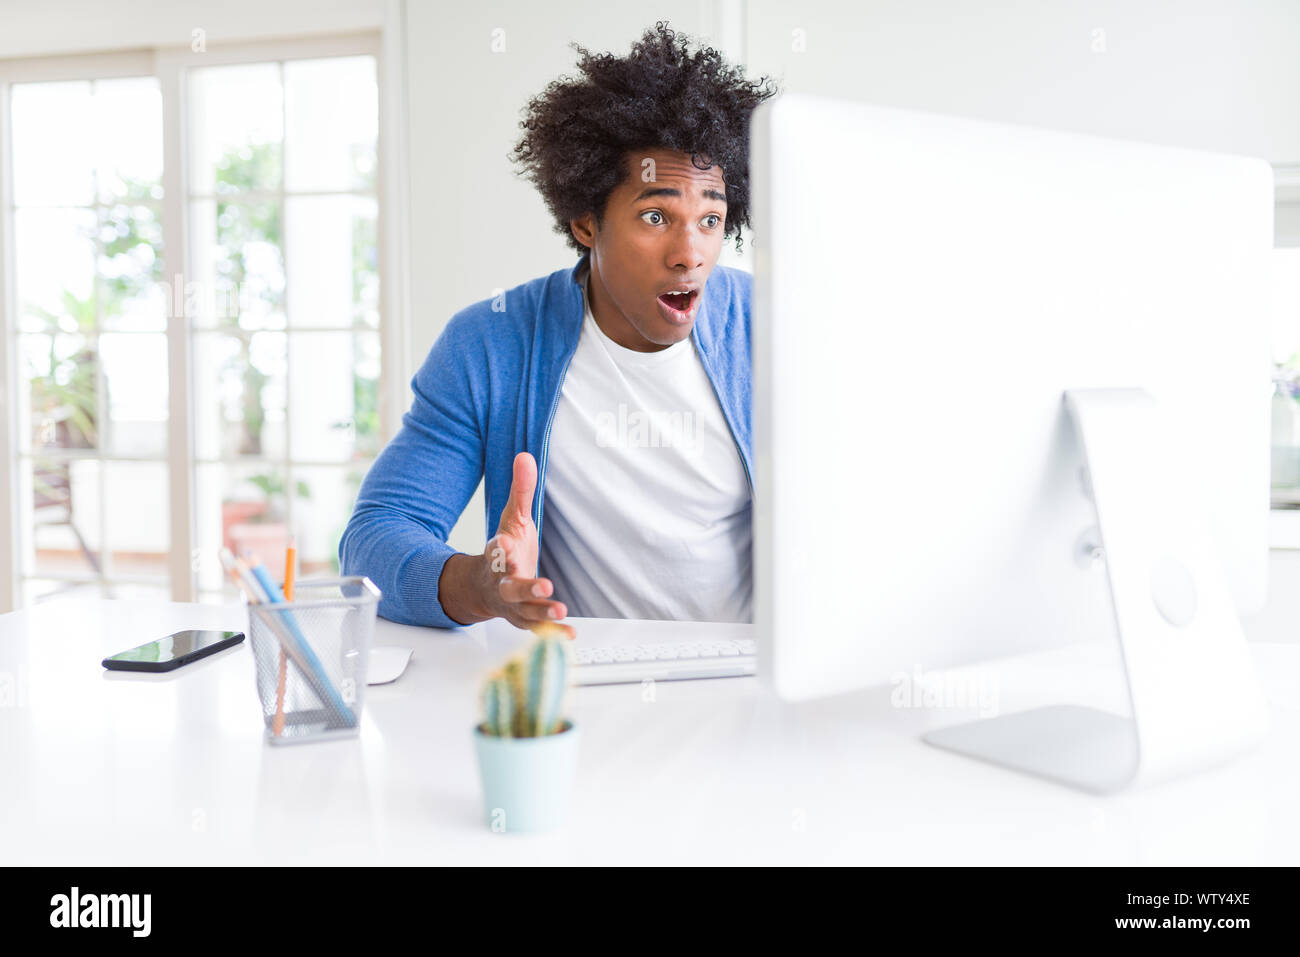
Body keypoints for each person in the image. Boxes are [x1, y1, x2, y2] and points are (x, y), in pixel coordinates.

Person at [339, 22, 778, 634]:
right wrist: (480, 586)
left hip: (746, 672)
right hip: (572, 676)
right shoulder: (491, 345)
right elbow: (373, 539)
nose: (689, 255)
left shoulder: (773, 328)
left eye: (710, 220)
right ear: (586, 222)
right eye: (656, 216)